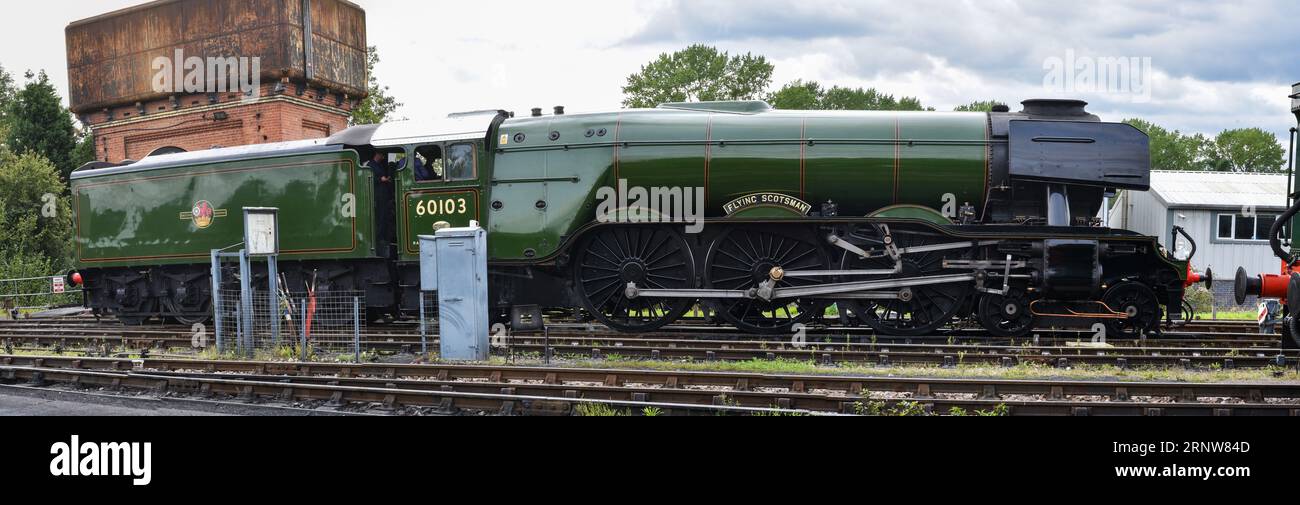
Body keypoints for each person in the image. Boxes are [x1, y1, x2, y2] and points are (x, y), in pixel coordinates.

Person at [365, 151, 396, 254]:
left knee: (385, 216)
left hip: (384, 194)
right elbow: (368, 178)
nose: (383, 157)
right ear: (377, 154)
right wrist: (380, 179)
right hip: (377, 195)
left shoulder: (380, 165)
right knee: (380, 217)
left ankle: (384, 237)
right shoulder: (370, 165)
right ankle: (379, 238)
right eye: (382, 155)